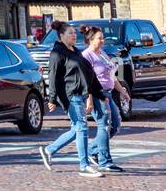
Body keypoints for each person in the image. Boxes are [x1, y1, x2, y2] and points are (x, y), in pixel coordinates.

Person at [40, 21, 105, 178]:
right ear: (61, 36)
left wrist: (99, 93)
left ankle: (49, 149)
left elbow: (89, 73)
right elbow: (53, 76)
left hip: (80, 94)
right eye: (70, 33)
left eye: (74, 33)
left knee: (76, 127)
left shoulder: (75, 51)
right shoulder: (57, 53)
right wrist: (52, 99)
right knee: (82, 127)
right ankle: (84, 166)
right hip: (69, 96)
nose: (74, 35)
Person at [82, 25, 126, 173]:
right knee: (104, 125)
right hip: (97, 94)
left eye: (103, 38)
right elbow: (86, 80)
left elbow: (112, 75)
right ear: (91, 40)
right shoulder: (86, 56)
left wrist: (122, 91)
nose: (102, 40)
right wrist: (89, 99)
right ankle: (105, 161)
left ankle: (92, 151)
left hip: (108, 93)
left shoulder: (103, 54)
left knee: (115, 125)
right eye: (99, 38)